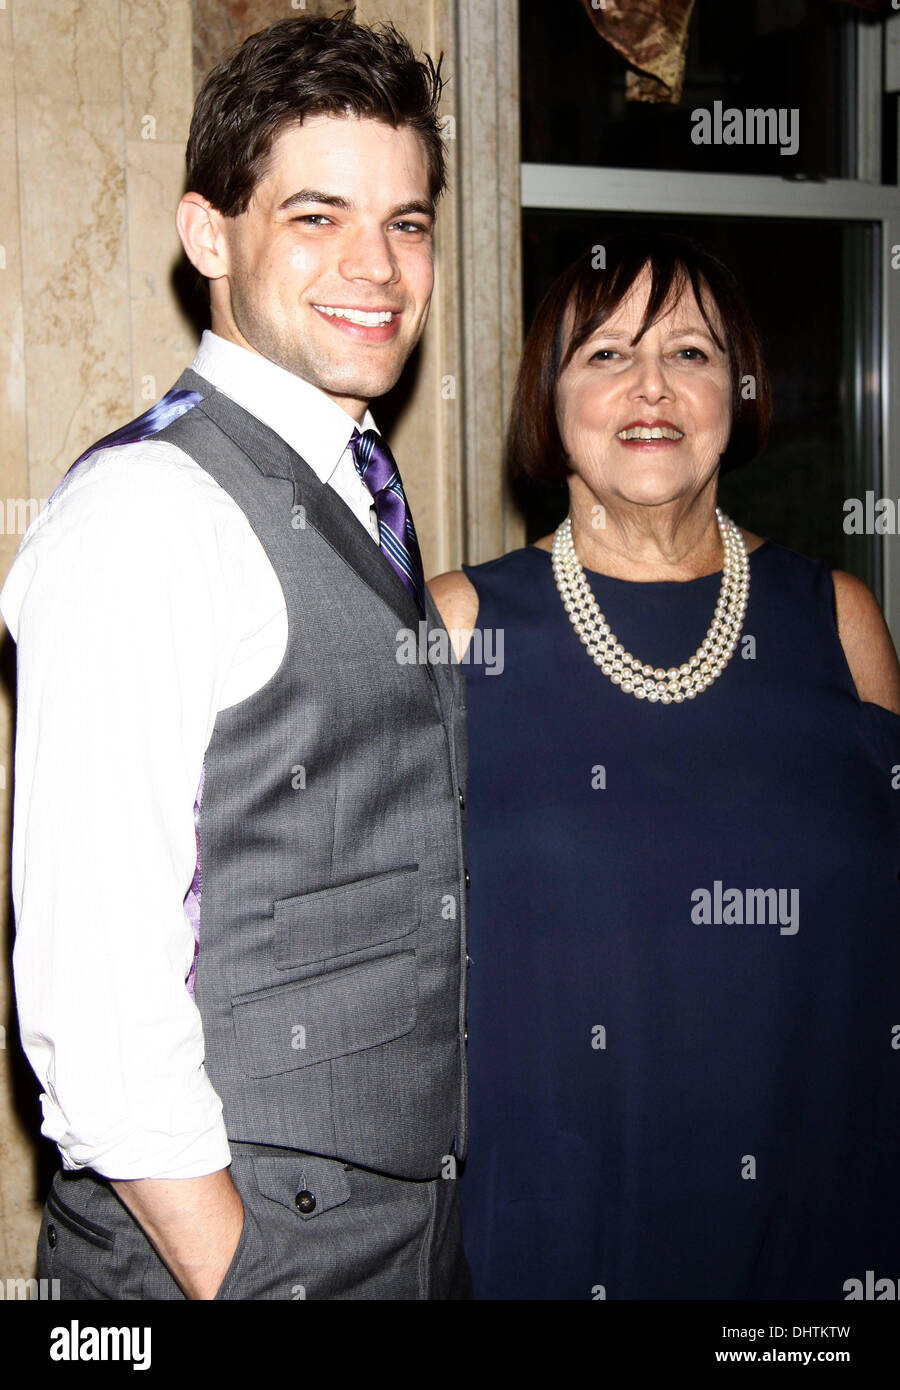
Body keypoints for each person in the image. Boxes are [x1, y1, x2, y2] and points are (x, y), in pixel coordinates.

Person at [1, 12, 470, 1301]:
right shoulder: (148, 516)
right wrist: (250, 1279)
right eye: (315, 216)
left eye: (408, 221)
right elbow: (95, 1016)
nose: (375, 266)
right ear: (211, 235)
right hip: (229, 1261)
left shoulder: (353, 479)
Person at [430, 231, 900, 1300]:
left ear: (739, 391)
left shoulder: (840, 620)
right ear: (549, 398)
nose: (651, 386)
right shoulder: (459, 626)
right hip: (551, 1231)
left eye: (690, 352)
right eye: (604, 353)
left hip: (821, 1227)